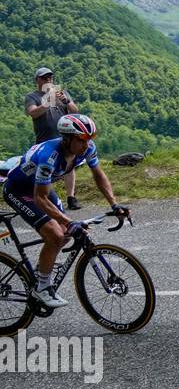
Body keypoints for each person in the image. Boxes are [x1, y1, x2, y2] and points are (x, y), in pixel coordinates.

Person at [2, 115, 129, 309]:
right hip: (19, 191)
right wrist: (69, 221)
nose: (86, 144)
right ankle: (41, 288)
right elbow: (39, 199)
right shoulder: (49, 156)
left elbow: (99, 175)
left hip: (41, 189)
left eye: (89, 139)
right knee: (56, 234)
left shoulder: (86, 148)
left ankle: (39, 275)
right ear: (67, 138)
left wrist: (114, 204)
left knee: (67, 235)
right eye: (81, 140)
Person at [24, 66, 82, 209]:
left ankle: (71, 198)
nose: (48, 80)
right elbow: (33, 113)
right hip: (45, 139)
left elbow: (75, 111)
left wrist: (67, 101)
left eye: (50, 77)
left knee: (69, 166)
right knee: (46, 168)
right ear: (37, 80)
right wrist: (47, 101)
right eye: (44, 78)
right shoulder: (32, 96)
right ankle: (47, 198)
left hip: (64, 137)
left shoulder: (62, 93)